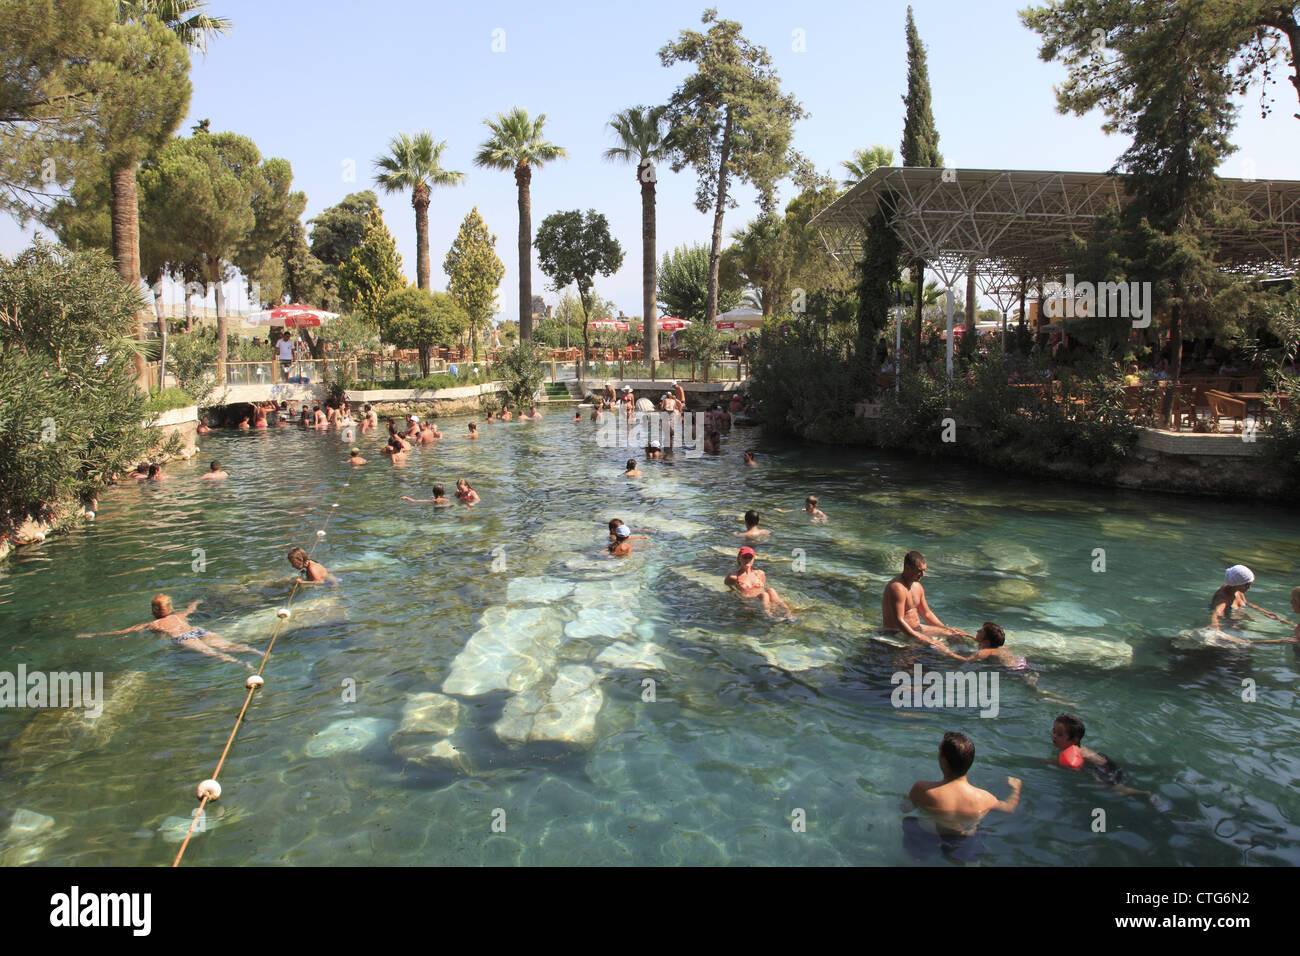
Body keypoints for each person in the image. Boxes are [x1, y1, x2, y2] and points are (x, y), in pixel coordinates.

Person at [76, 594, 262, 667]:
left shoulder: (154, 625)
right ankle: (256, 652)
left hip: (182, 637)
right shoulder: (180, 615)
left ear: (154, 611)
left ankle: (242, 664)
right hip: (197, 630)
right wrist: (196, 601)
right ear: (171, 608)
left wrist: (94, 635)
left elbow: (123, 632)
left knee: (213, 654)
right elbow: (192, 609)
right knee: (229, 645)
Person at [908, 732, 1021, 835]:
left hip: (928, 834)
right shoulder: (984, 798)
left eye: (939, 751)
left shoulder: (922, 789)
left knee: (909, 821)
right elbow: (1009, 808)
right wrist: (1016, 788)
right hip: (965, 841)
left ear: (943, 761)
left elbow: (905, 808)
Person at [882, 551, 972, 656]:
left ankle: (968, 661)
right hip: (898, 632)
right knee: (936, 647)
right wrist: (921, 638)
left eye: (924, 571)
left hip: (917, 628)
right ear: (907, 568)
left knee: (954, 635)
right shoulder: (897, 587)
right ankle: (954, 660)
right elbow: (899, 620)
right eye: (919, 571)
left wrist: (945, 628)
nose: (922, 575)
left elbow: (927, 613)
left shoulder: (917, 586)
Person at [1050, 714, 1147, 795]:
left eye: (1059, 734)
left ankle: (1141, 794)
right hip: (1101, 762)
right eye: (1054, 731)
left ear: (1074, 740)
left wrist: (1052, 763)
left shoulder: (1076, 754)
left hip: (1103, 769)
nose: (1054, 735)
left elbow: (1074, 767)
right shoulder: (1070, 748)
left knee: (1114, 789)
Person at [724, 546, 794, 620]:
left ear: (753, 559)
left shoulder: (760, 573)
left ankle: (788, 614)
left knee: (771, 590)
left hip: (762, 599)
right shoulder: (733, 577)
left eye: (750, 557)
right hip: (749, 600)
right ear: (739, 558)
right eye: (745, 557)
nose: (747, 560)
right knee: (764, 595)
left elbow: (763, 587)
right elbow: (729, 588)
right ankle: (769, 616)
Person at [960, 622, 1028, 671]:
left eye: (981, 631)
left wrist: (949, 652)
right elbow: (981, 641)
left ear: (986, 641)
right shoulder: (994, 645)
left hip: (1016, 669)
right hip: (1021, 662)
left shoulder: (984, 652)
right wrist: (966, 635)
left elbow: (966, 660)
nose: (978, 630)